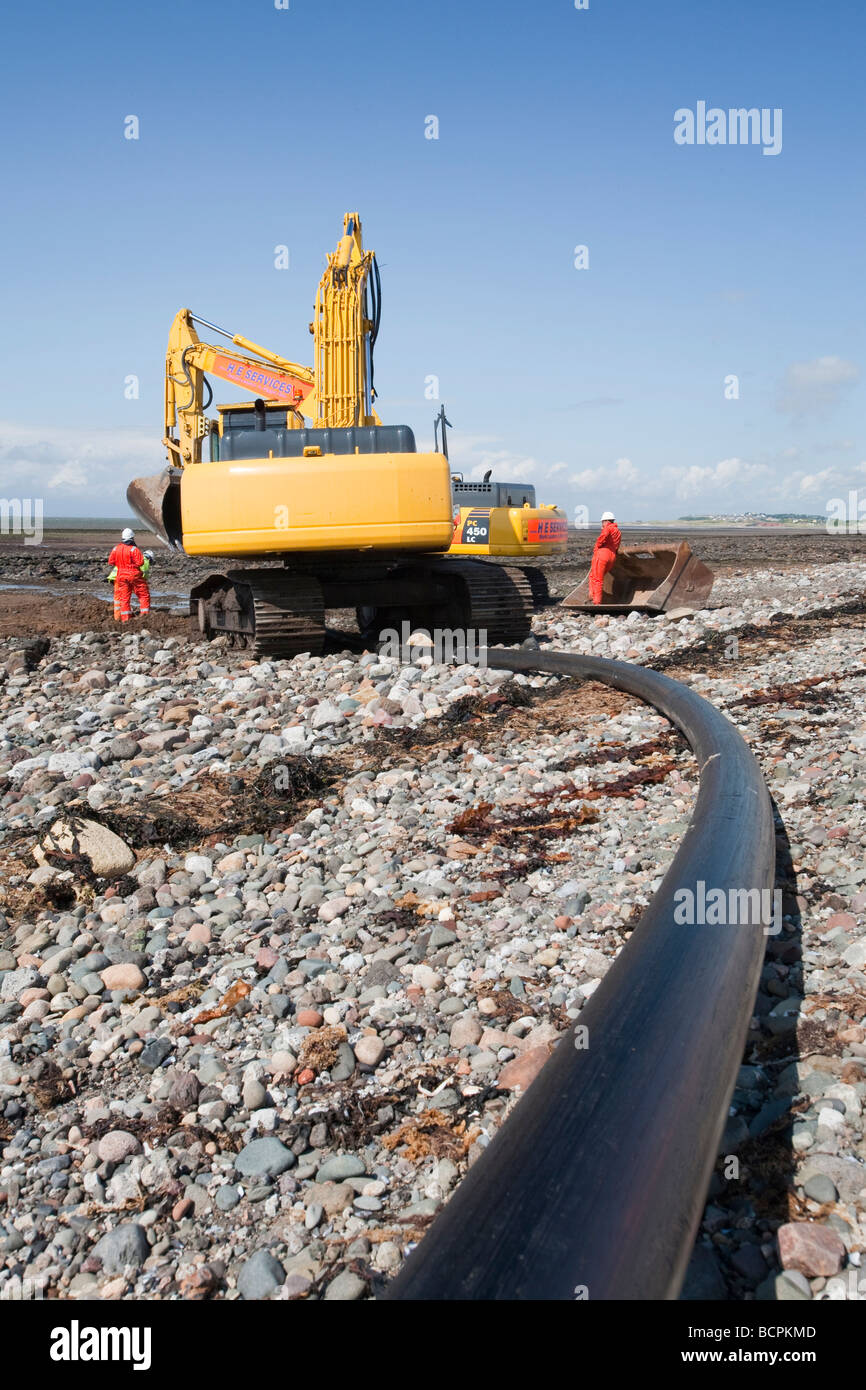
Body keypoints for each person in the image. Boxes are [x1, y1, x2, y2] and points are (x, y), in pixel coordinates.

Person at [106, 527, 150, 622]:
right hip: (133, 574)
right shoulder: (134, 549)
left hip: (121, 575)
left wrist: (121, 564)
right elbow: (140, 562)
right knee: (143, 595)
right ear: (132, 538)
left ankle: (126, 620)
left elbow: (111, 561)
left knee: (124, 598)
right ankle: (145, 617)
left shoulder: (116, 548)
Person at [589, 510, 621, 604]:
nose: (602, 524)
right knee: (593, 576)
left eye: (602, 522)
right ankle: (592, 596)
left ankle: (596, 602)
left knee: (597, 579)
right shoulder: (618, 531)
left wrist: (597, 546)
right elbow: (616, 545)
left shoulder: (608, 528)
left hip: (603, 554)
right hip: (612, 556)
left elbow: (603, 537)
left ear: (606, 521)